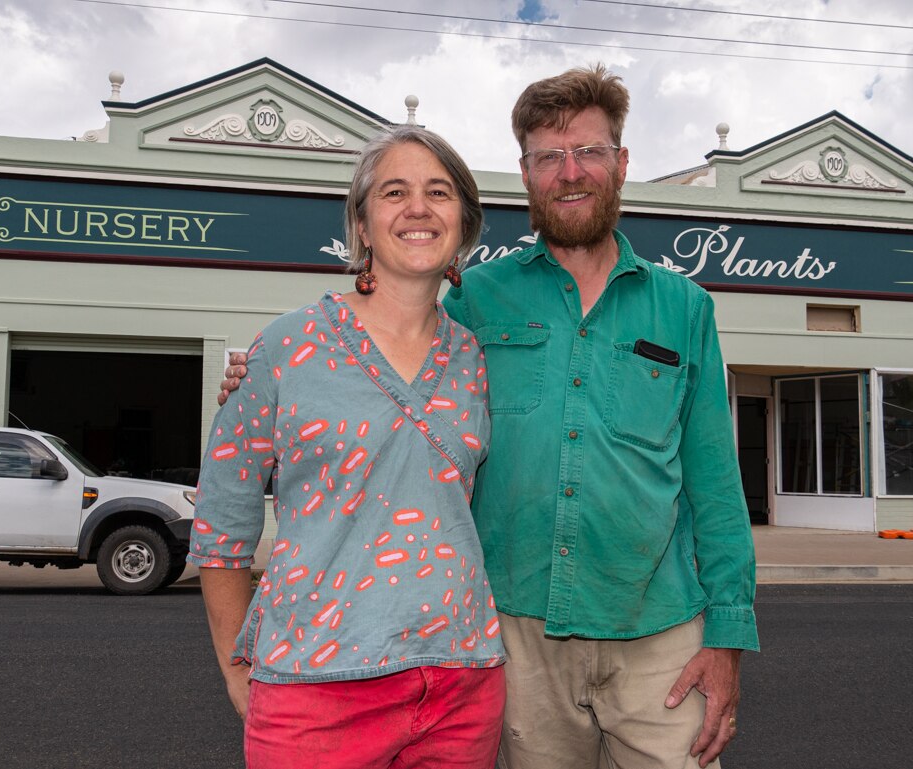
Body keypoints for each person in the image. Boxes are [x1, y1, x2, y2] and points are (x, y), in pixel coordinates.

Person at [222, 65, 758, 769]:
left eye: (590, 151)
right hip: (517, 641)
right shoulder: (475, 299)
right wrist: (263, 372)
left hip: (659, 635)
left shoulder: (685, 309)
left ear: (621, 164)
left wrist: (727, 638)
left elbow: (716, 489)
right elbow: (387, 338)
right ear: (526, 174)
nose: (571, 172)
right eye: (548, 157)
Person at [193, 125, 506, 769]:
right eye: (394, 192)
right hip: (315, 690)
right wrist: (234, 665)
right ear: (362, 226)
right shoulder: (286, 346)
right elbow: (223, 520)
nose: (418, 208)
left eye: (439, 192)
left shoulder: (472, 357)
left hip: (464, 684)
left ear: (463, 224)